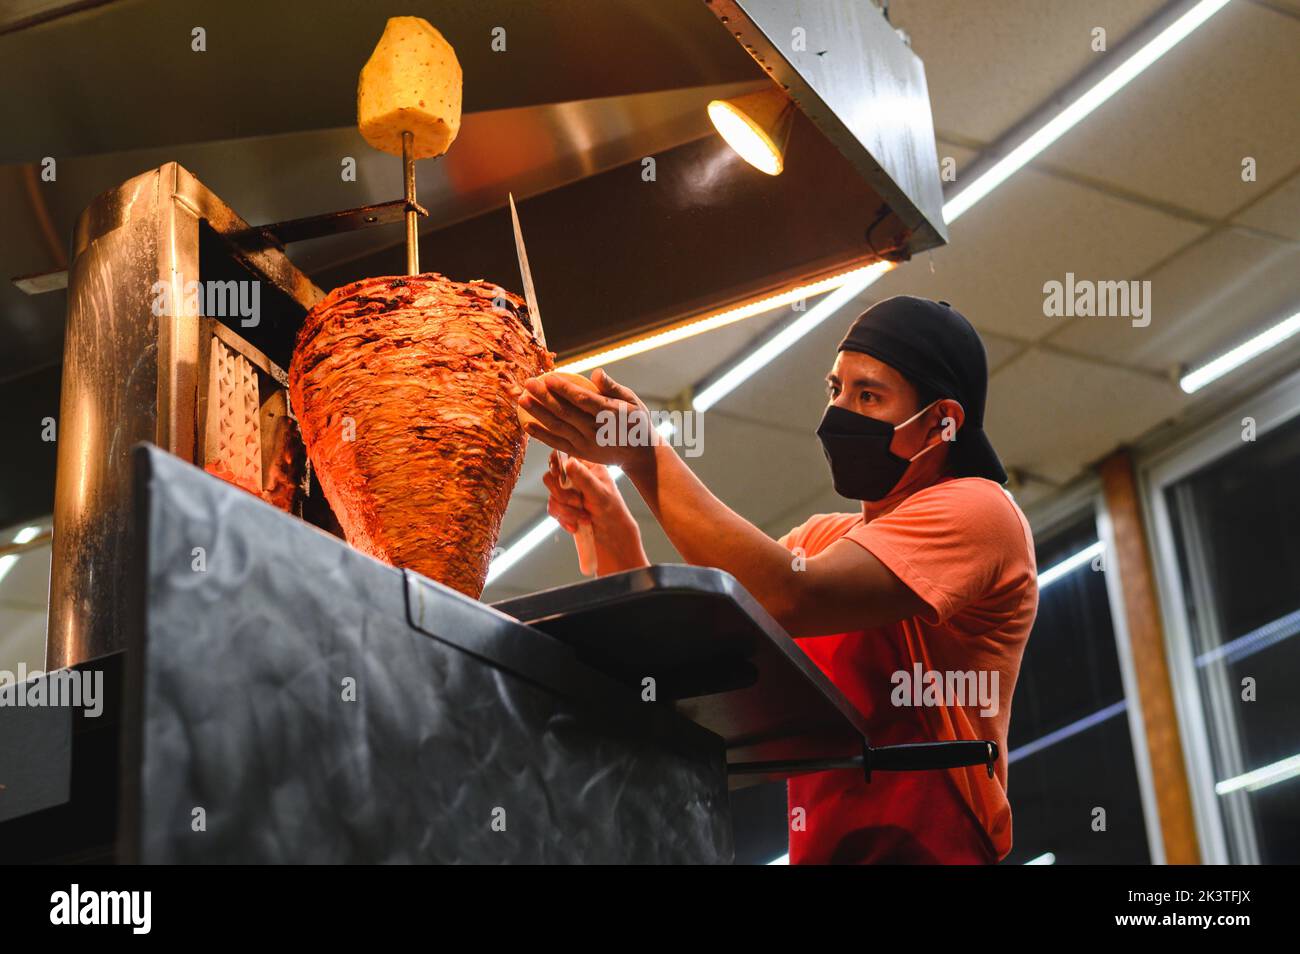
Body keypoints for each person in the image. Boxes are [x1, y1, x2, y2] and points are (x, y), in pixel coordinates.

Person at [513, 295, 1038, 864]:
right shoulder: (820, 540)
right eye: (836, 389)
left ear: (943, 423)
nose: (841, 410)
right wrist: (614, 535)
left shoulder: (980, 510)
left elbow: (791, 596)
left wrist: (645, 456)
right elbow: (695, 658)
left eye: (869, 395)